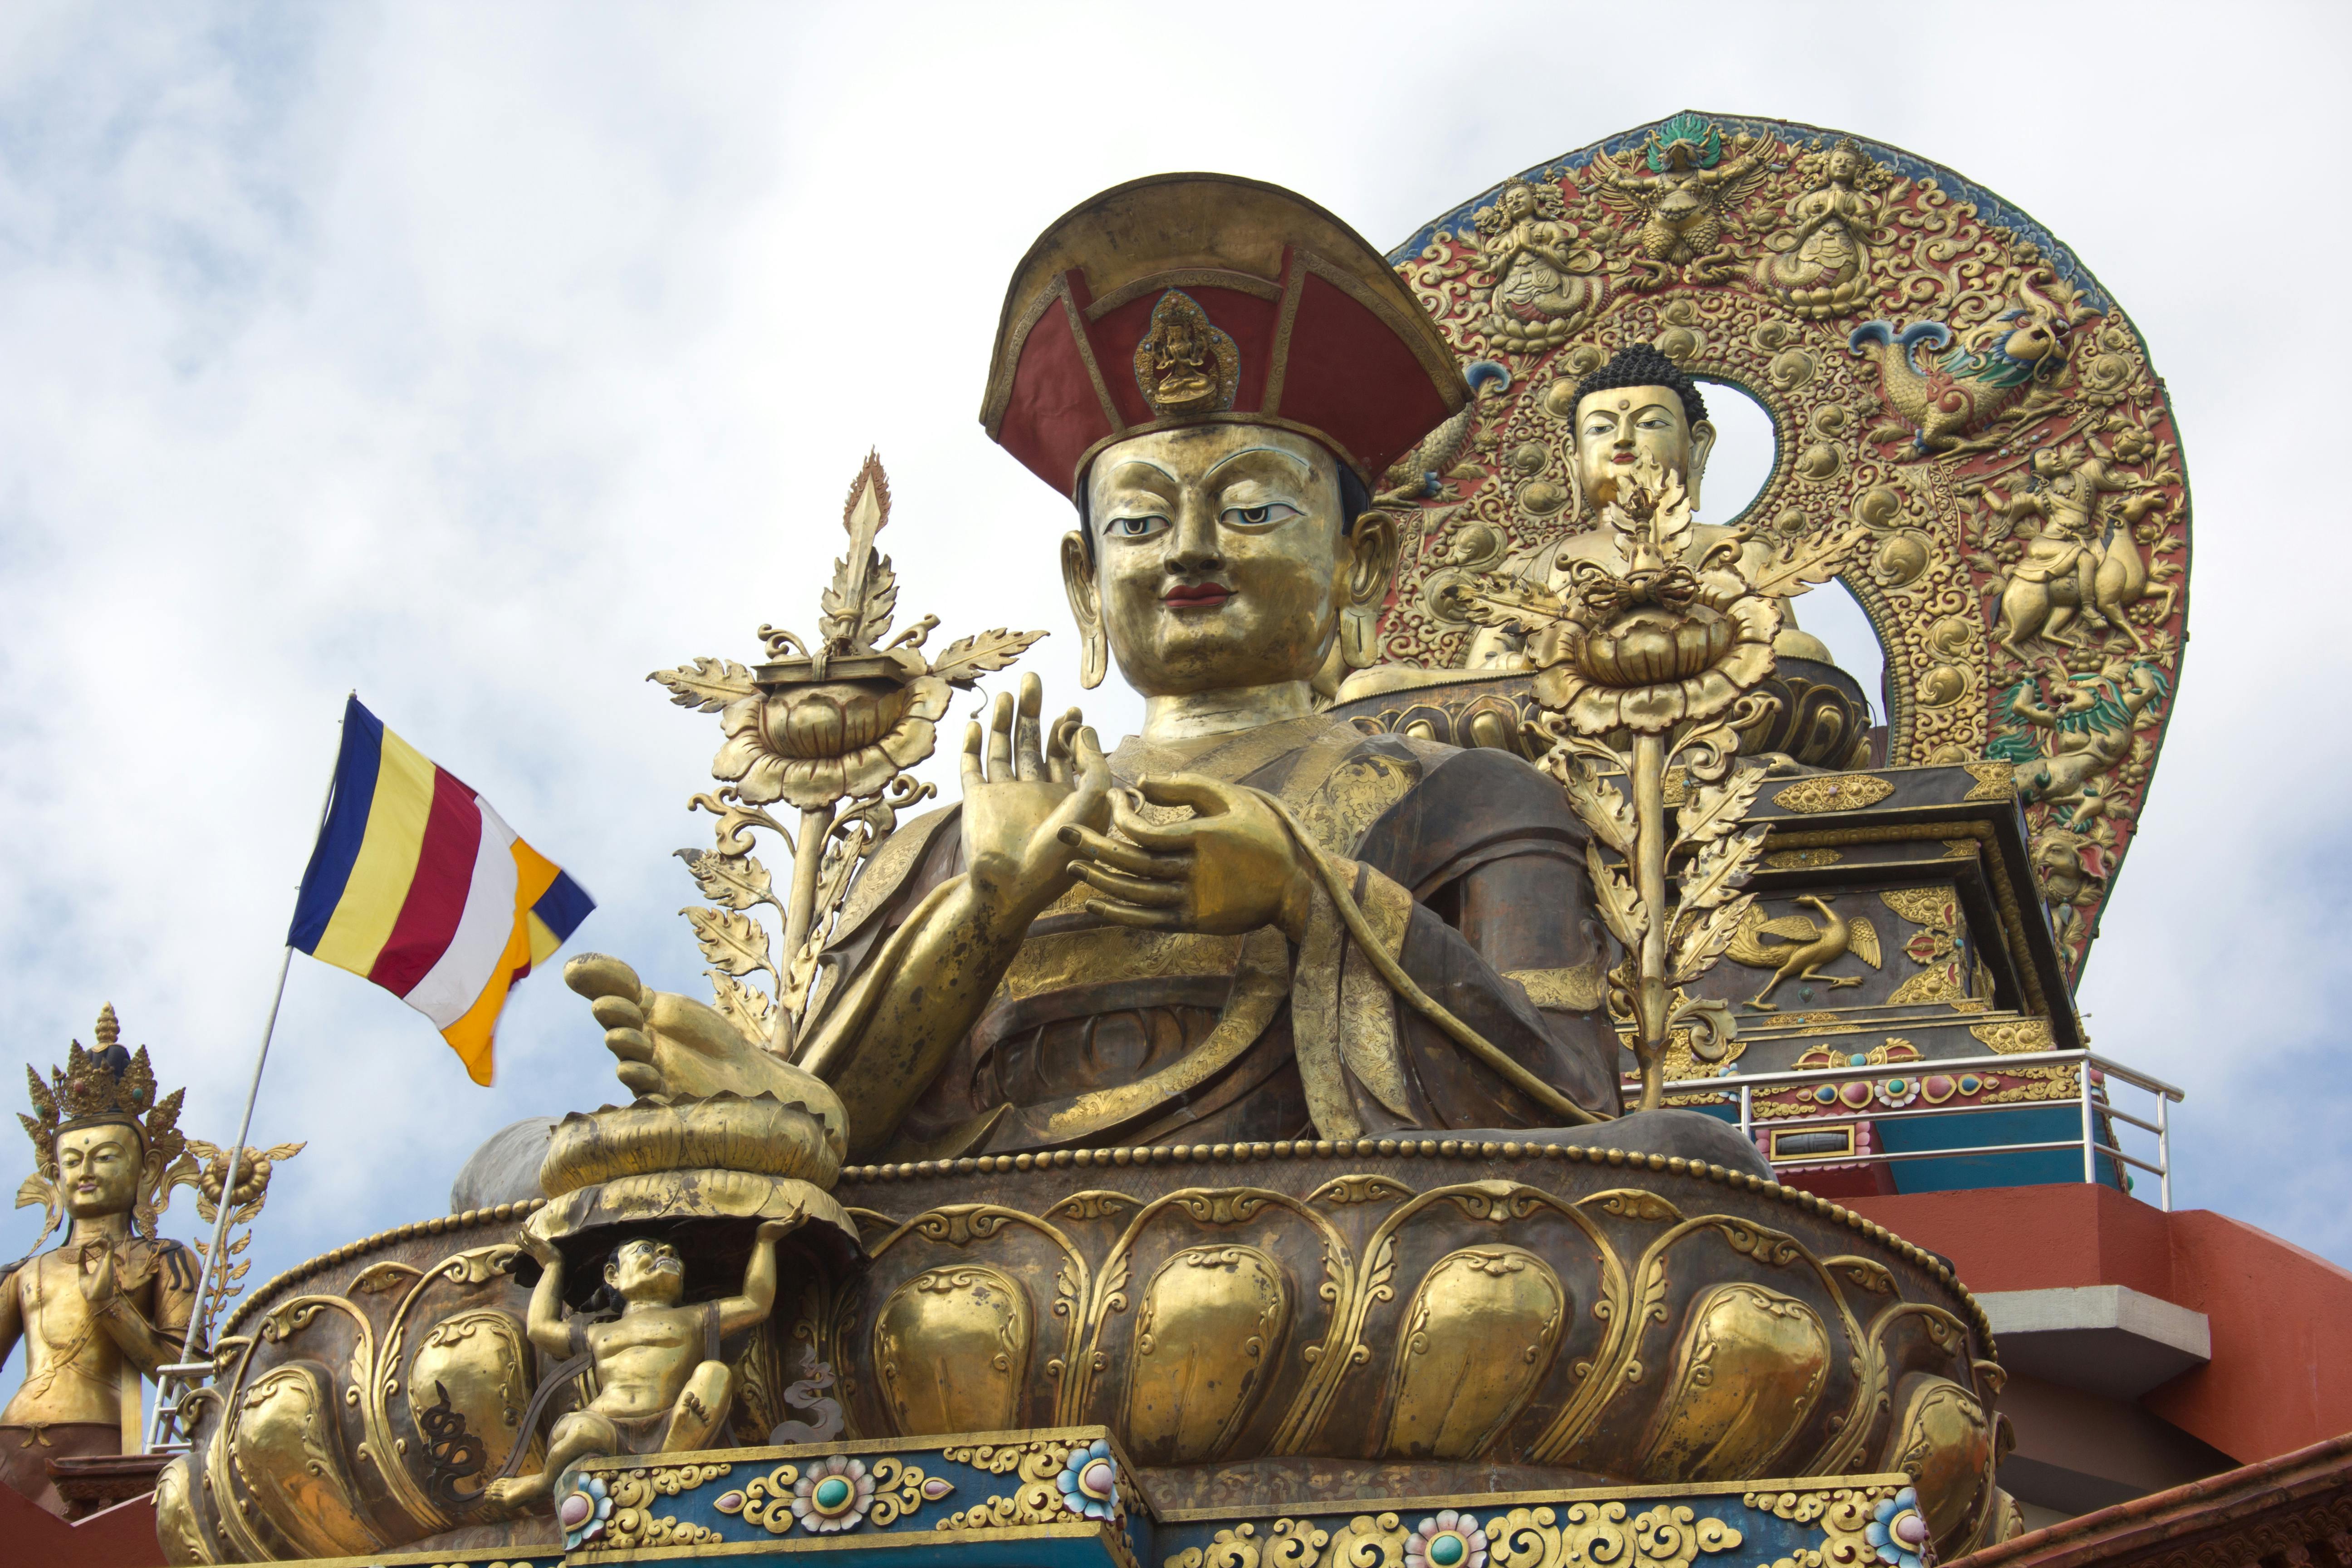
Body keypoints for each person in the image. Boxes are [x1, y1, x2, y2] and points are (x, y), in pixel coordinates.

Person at [0, 1021, 197, 1516]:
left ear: (146, 1170)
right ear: (54, 1173)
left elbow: (188, 1382)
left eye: (106, 1156)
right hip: (10, 1441)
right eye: (72, 1160)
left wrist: (112, 1306)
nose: (85, 1172)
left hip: (100, 1444)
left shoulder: (162, 1259)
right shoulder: (23, 1273)